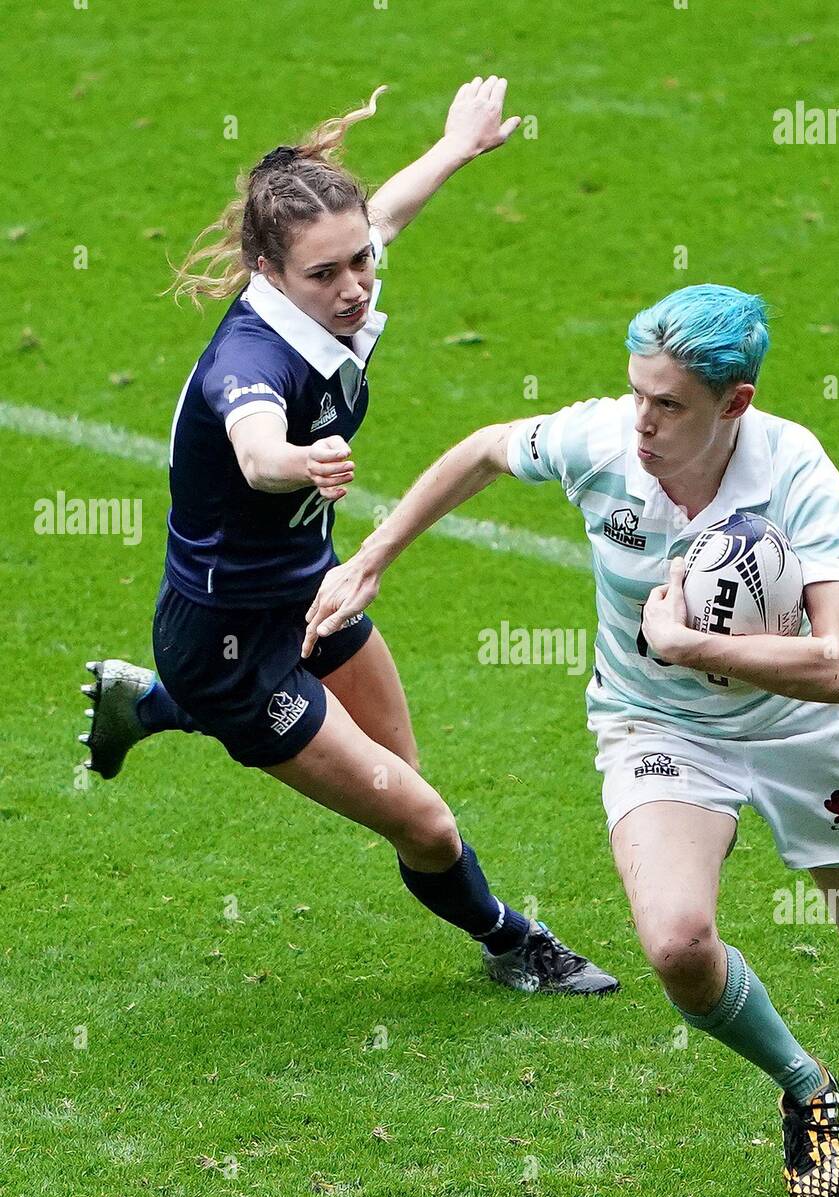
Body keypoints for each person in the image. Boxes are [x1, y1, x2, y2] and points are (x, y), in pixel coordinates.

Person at [298, 283, 839, 1197]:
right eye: (637, 392)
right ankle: (805, 1088)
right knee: (675, 944)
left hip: (802, 729)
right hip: (657, 727)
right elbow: (482, 451)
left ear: (735, 403)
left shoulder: (796, 473)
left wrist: (692, 645)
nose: (642, 421)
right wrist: (371, 559)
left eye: (668, 404)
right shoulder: (603, 441)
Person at [79, 78, 617, 997]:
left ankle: (150, 705)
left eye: (358, 261)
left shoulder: (340, 290)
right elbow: (254, 452)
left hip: (309, 587)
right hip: (226, 639)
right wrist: (305, 462)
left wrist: (455, 145)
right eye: (325, 274)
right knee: (426, 824)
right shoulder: (251, 361)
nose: (353, 288)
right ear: (268, 275)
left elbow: (389, 213)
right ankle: (513, 943)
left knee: (403, 778)